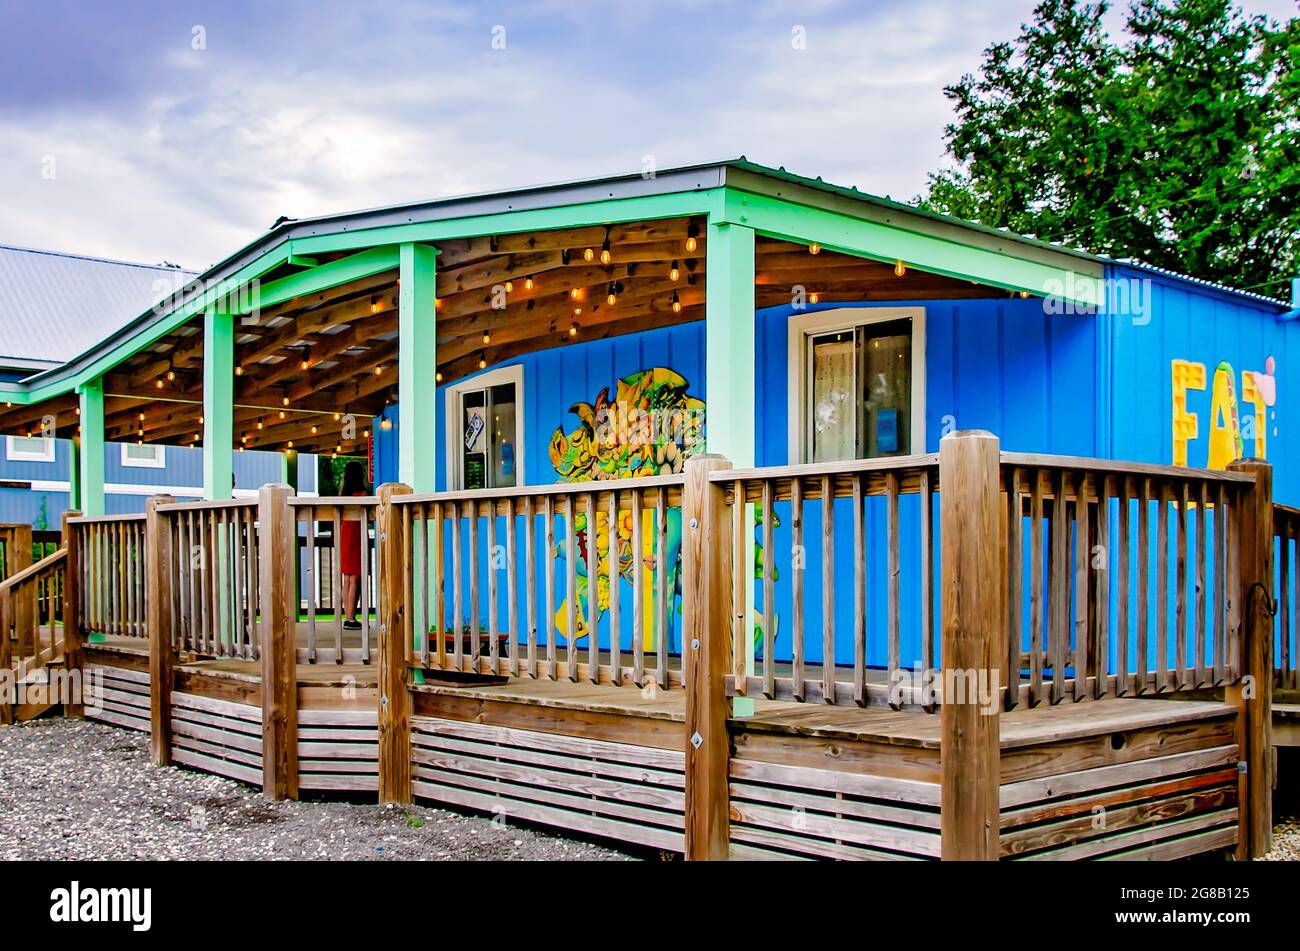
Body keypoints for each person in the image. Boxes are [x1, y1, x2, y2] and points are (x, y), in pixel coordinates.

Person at [338, 461, 369, 631]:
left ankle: (347, 616)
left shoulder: (343, 494)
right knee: (355, 576)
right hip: (357, 534)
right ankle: (351, 618)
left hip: (345, 533)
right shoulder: (363, 494)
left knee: (348, 577)